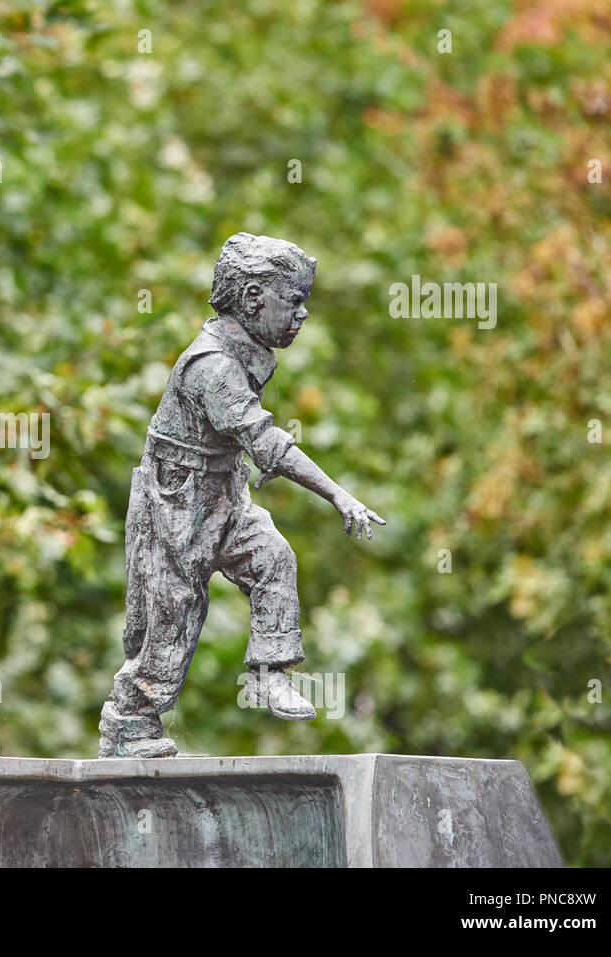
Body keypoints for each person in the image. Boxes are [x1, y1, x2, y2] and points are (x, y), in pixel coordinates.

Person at [99, 233, 385, 758]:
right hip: (177, 503)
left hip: (223, 491)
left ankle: (269, 672)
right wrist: (340, 496)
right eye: (294, 300)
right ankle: (128, 724)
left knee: (274, 558)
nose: (302, 315)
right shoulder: (212, 366)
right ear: (253, 298)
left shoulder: (244, 348)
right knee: (171, 616)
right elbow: (268, 444)